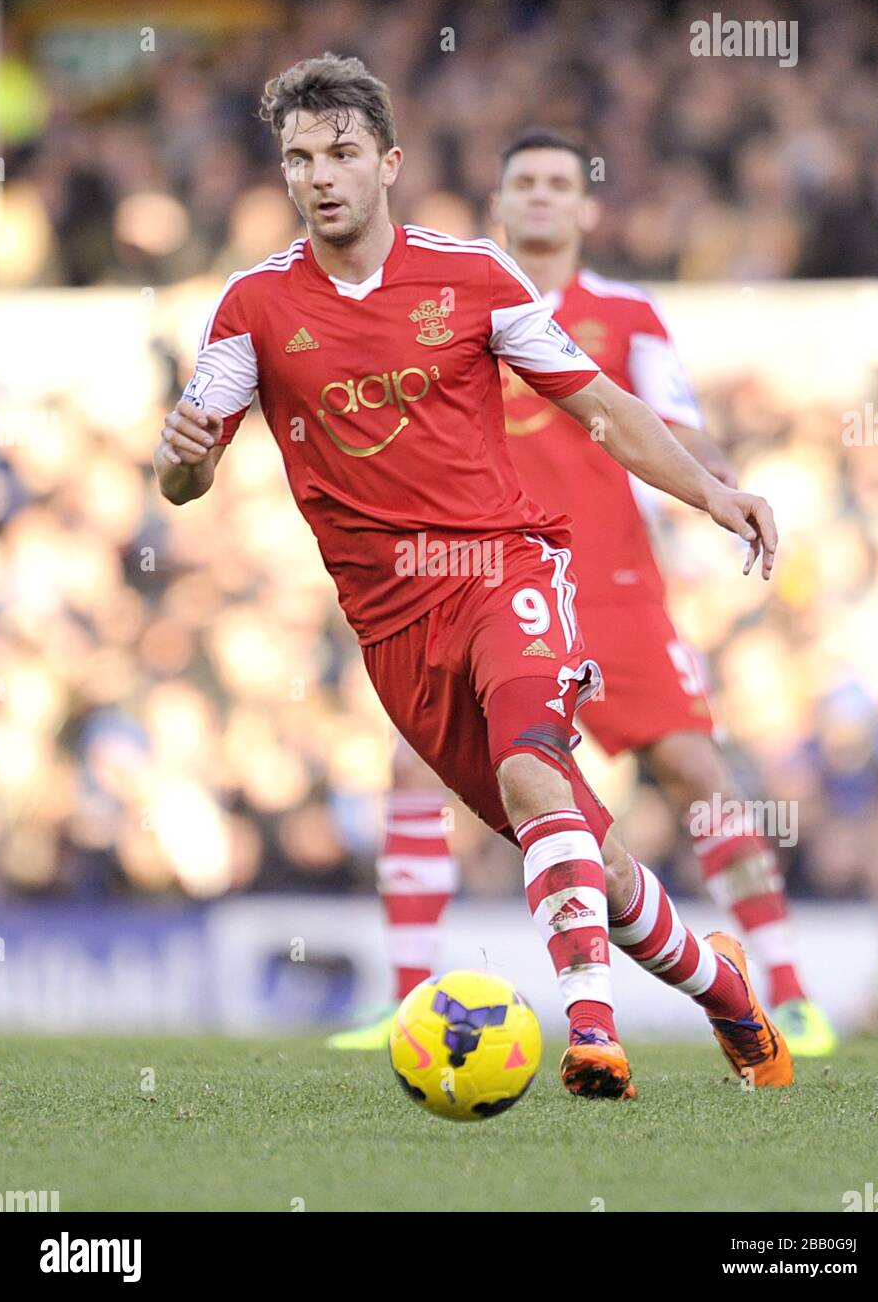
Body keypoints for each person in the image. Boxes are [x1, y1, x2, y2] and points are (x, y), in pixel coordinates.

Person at [154, 54, 790, 1097]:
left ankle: (590, 1033)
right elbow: (185, 478)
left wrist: (710, 491)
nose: (320, 176)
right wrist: (179, 454)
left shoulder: (476, 277)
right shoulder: (250, 307)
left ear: (387, 162)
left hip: (505, 567)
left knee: (531, 769)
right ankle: (721, 987)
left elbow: (602, 407)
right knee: (590, 852)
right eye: (299, 157)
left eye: (342, 153)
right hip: (393, 627)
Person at [330, 128, 834, 1060]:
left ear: (586, 207)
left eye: (560, 183)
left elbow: (672, 423)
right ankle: (407, 998)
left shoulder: (626, 315)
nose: (541, 198)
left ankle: (790, 993)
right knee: (415, 771)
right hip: (484, 582)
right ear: (498, 204)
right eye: (523, 182)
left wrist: (720, 488)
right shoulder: (453, 304)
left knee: (693, 770)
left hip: (610, 584)